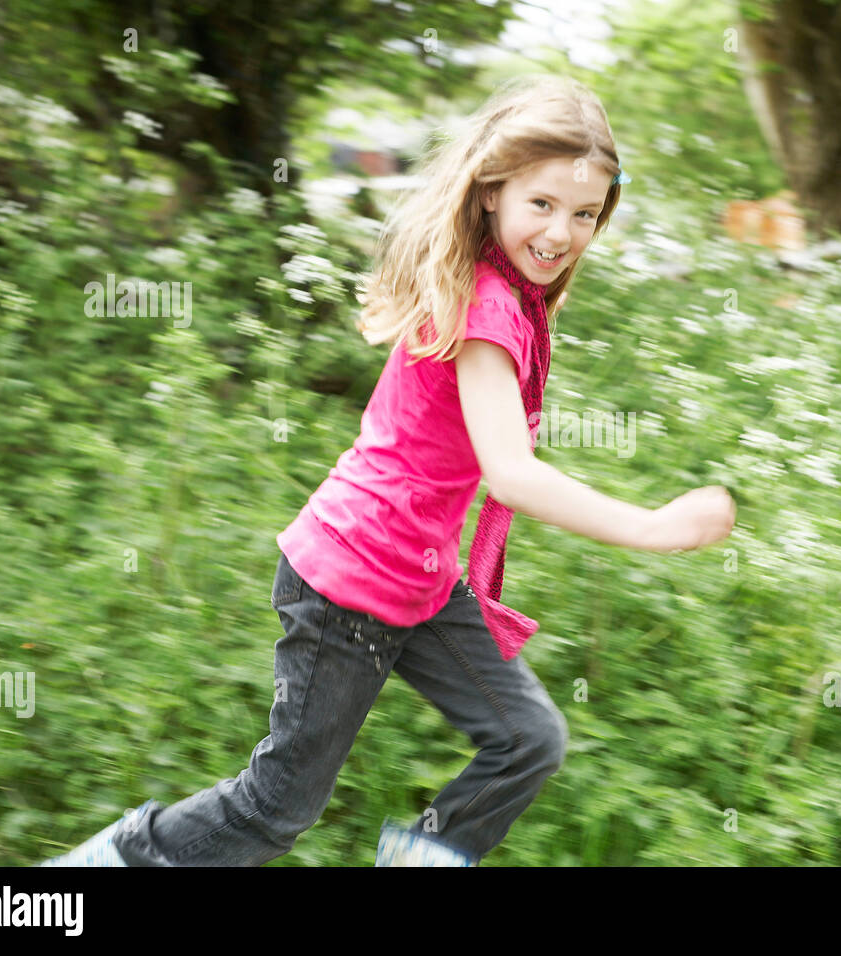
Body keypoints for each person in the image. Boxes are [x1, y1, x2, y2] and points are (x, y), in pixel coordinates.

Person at [37, 73, 735, 868]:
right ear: (489, 195)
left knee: (527, 739)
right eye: (541, 204)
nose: (562, 231)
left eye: (583, 214)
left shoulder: (507, 290)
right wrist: (651, 527)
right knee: (273, 812)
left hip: (421, 577)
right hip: (352, 581)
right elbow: (509, 473)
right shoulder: (488, 309)